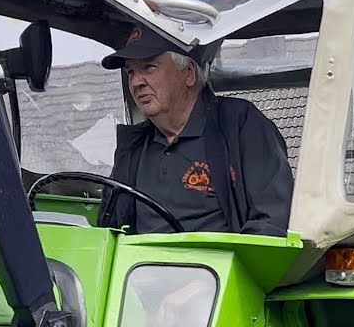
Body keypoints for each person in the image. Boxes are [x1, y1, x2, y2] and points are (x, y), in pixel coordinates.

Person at [99, 27, 293, 236]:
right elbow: (108, 231)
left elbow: (272, 222)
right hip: (137, 268)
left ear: (189, 73)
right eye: (131, 72)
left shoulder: (240, 124)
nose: (136, 82)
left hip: (217, 266)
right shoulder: (133, 147)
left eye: (149, 67)